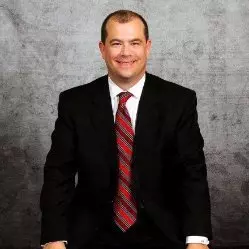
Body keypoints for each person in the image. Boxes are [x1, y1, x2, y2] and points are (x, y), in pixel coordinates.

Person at [40, 9, 212, 249]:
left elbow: (192, 174)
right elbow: (59, 173)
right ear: (102, 49)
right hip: (91, 232)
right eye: (116, 43)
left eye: (135, 43)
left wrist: (197, 240)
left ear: (147, 47)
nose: (126, 53)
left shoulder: (179, 101)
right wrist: (53, 239)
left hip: (162, 231)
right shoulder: (74, 102)